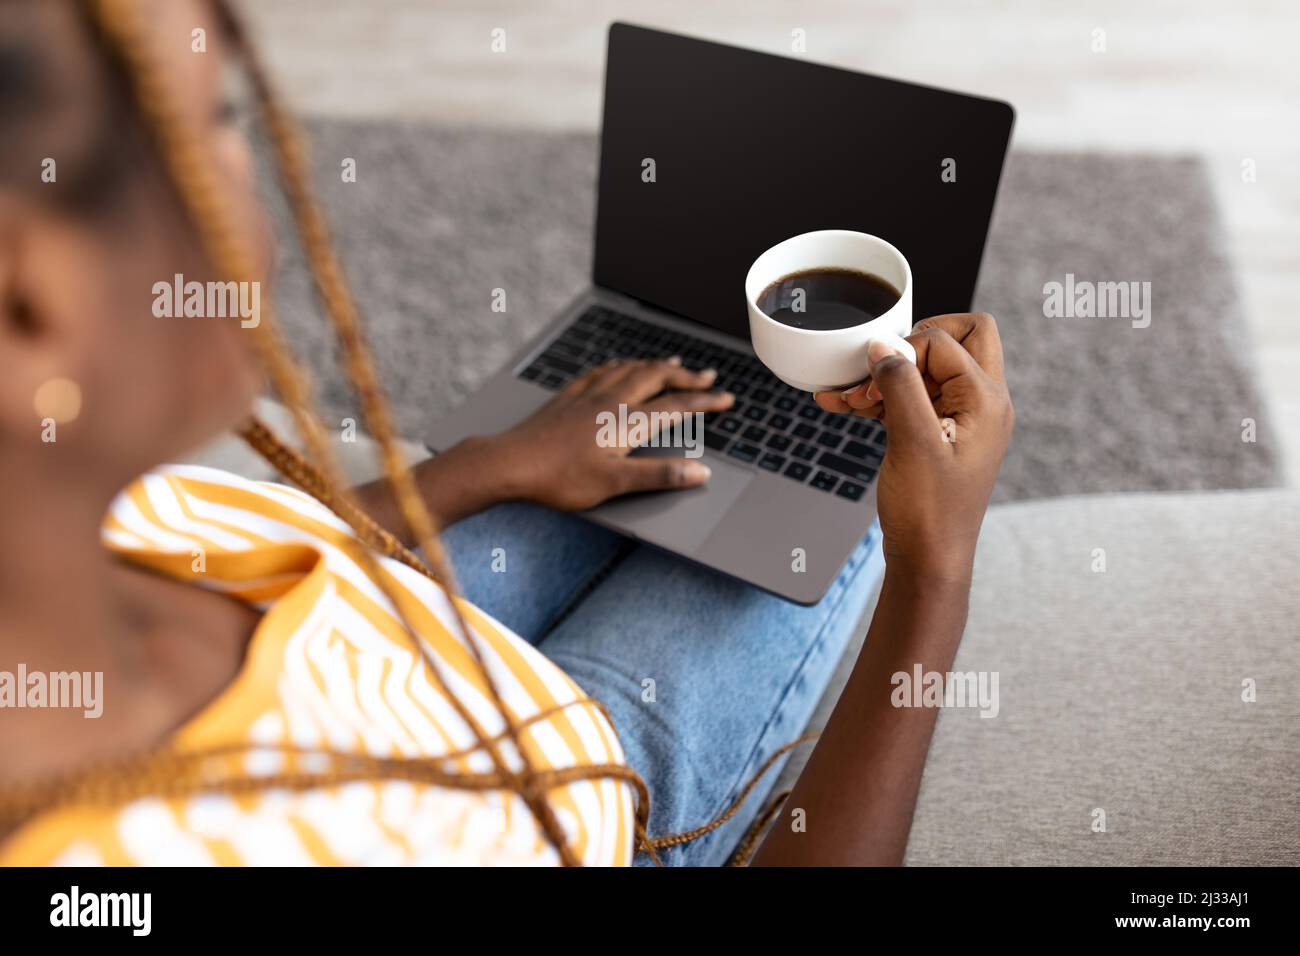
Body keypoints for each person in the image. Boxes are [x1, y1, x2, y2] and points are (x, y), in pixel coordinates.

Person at [0, 0, 1012, 866]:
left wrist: (495, 466)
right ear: (28, 293)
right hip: (583, 790)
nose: (259, 182)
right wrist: (935, 573)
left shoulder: (86, 519)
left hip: (389, 609)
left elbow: (255, 557)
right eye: (216, 125)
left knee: (699, 438)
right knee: (823, 493)